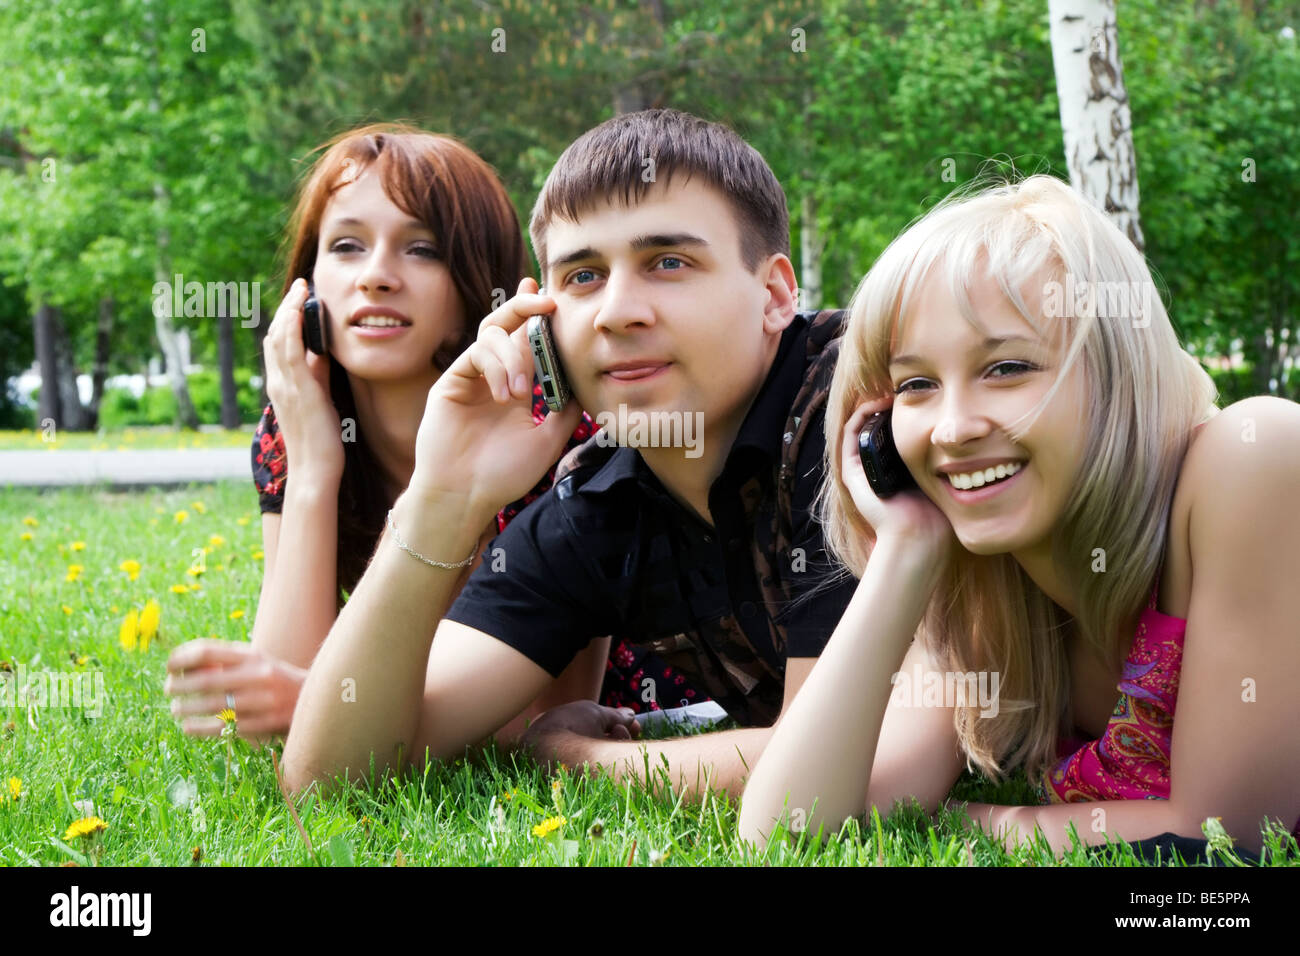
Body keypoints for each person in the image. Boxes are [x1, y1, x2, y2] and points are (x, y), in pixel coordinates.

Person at [281, 109, 857, 797]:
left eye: (667, 263)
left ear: (774, 294)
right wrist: (444, 494)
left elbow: (841, 766)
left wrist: (570, 755)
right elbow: (333, 778)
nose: (618, 311)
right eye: (583, 276)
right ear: (541, 319)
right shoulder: (597, 502)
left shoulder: (847, 408)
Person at [737, 174, 1300, 856]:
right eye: (917, 385)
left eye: (1006, 368)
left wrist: (971, 823)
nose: (952, 428)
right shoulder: (985, 593)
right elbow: (785, 834)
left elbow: (1226, 834)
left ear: (1117, 372)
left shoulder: (1256, 457)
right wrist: (905, 552)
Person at [163, 123, 602, 743]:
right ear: (306, 288)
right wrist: (314, 468)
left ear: (479, 284)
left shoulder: (551, 436)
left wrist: (311, 701)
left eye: (421, 250)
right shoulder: (297, 428)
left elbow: (549, 720)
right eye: (346, 246)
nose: (376, 276)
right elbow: (284, 712)